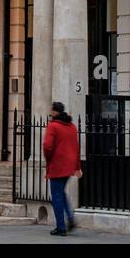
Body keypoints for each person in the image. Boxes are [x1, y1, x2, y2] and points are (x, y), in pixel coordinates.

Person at [42, 101, 81, 236]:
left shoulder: (53, 126)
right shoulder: (72, 127)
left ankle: (61, 227)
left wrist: (48, 159)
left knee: (56, 196)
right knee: (61, 192)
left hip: (58, 165)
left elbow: (47, 146)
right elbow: (76, 147)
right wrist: (77, 166)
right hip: (69, 165)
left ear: (54, 112)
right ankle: (70, 217)